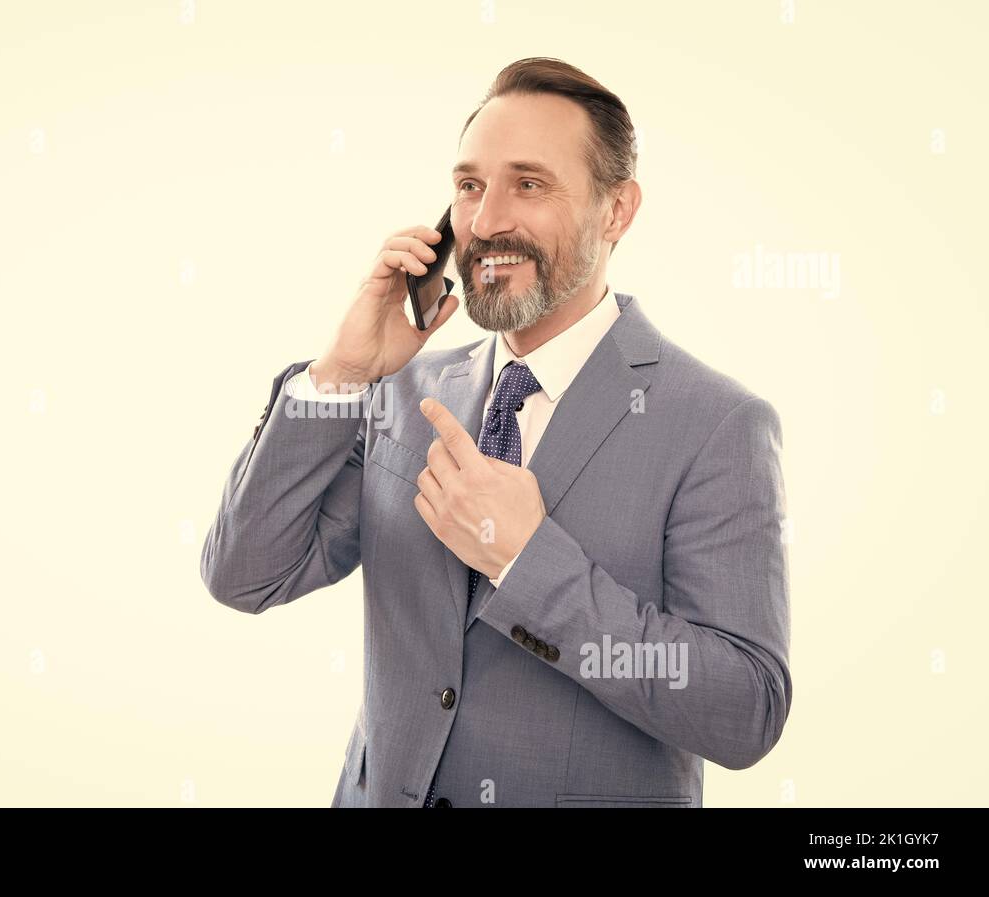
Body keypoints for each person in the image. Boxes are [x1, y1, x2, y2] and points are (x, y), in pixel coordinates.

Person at [201, 57, 791, 808]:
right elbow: (245, 574)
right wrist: (342, 370)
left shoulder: (717, 425)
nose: (484, 223)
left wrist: (526, 560)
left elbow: (745, 709)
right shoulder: (400, 391)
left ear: (616, 211)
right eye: (470, 186)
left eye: (529, 184)